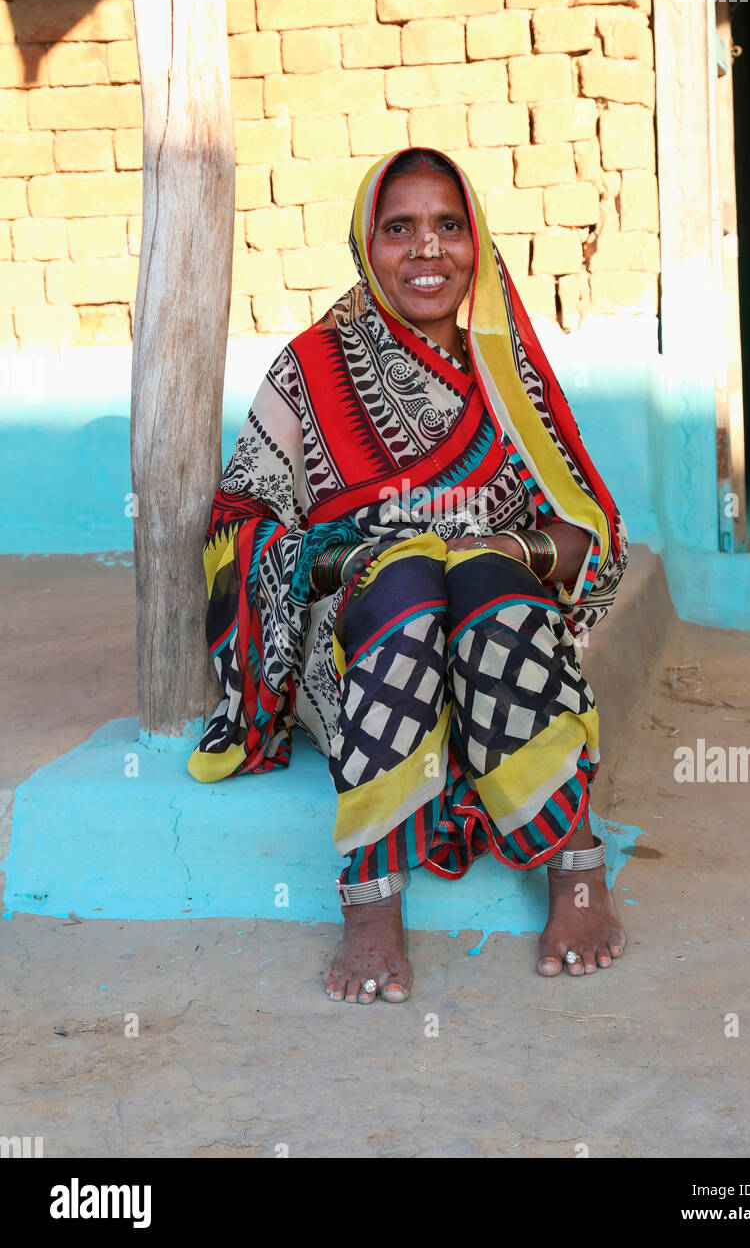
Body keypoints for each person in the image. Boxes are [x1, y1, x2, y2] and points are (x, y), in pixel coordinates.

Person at [187, 146, 630, 1004]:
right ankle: (371, 899)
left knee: (486, 590)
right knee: (407, 588)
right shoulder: (310, 369)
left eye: (447, 226)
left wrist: (510, 551)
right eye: (400, 228)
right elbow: (239, 523)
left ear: (476, 240)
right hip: (359, 631)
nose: (427, 251)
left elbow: (590, 535)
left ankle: (576, 869)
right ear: (366, 242)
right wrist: (365, 553)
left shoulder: (509, 372)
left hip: (497, 625)